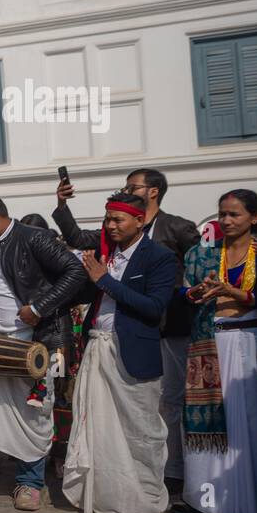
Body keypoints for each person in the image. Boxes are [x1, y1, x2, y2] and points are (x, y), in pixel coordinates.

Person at [55, 169, 199, 496]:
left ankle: (157, 484)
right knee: (100, 424)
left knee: (147, 420)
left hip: (151, 338)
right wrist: (62, 206)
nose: (110, 226)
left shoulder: (167, 240)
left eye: (117, 220)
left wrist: (104, 280)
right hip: (102, 345)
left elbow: (154, 305)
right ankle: (107, 488)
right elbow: (77, 238)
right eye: (108, 219)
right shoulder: (110, 249)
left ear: (140, 218)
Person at [0, 192, 87, 510]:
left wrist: (40, 308)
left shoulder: (35, 238)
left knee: (35, 413)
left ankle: (29, 483)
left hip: (37, 342)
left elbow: (77, 273)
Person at [175, 189, 257, 513]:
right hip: (210, 342)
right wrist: (193, 292)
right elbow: (184, 290)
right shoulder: (204, 253)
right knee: (210, 423)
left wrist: (232, 291)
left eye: (234, 214)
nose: (225, 220)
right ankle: (206, 501)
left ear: (254, 217)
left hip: (248, 343)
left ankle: (249, 504)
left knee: (247, 422)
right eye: (222, 214)